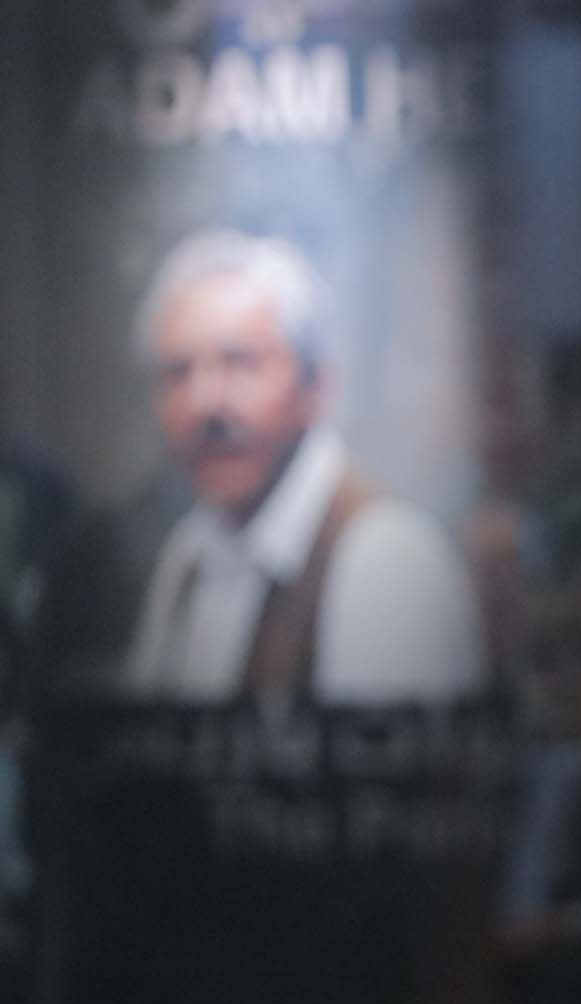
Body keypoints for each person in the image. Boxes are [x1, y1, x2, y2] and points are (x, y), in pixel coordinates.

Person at [122, 229, 485, 705]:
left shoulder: (386, 562)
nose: (204, 402)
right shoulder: (187, 556)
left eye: (240, 362)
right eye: (178, 373)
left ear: (316, 387)